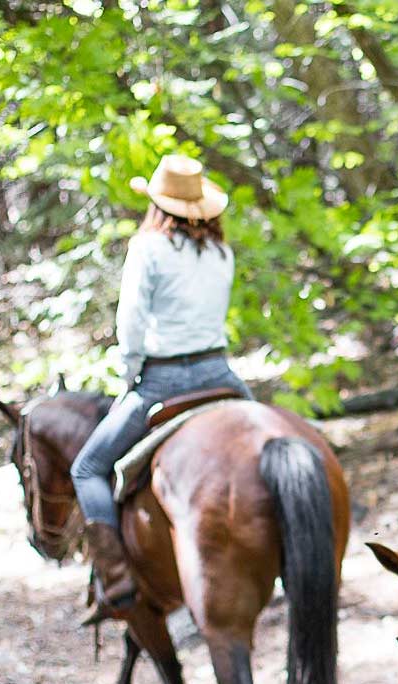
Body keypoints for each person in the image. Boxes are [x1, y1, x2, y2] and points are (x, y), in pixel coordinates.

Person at [71, 154, 252, 623]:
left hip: (162, 378)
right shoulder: (221, 253)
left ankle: (114, 579)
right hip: (221, 374)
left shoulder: (148, 247)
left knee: (87, 467)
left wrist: (130, 374)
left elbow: (130, 323)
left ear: (158, 203)